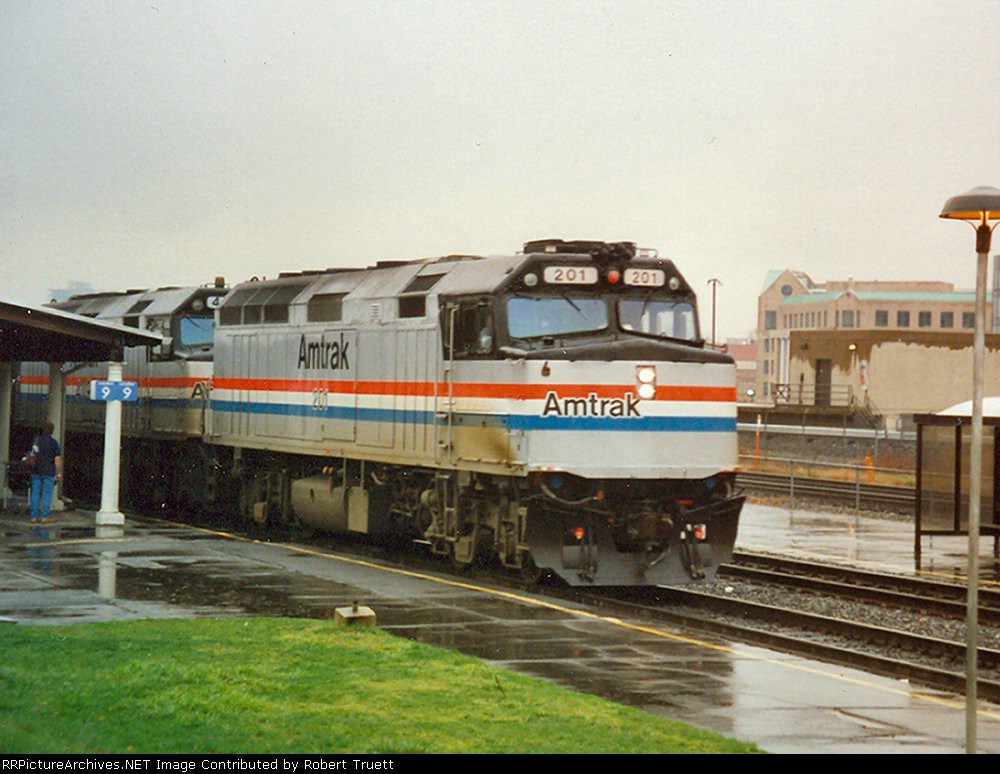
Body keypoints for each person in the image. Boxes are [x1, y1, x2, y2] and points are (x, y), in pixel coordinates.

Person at [27, 421, 62, 524]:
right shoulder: (54, 443)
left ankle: (34, 516)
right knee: (47, 494)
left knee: (36, 493)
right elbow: (57, 459)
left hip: (36, 470)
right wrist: (59, 473)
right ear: (52, 431)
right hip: (49, 471)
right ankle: (44, 517)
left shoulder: (36, 441)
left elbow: (31, 454)